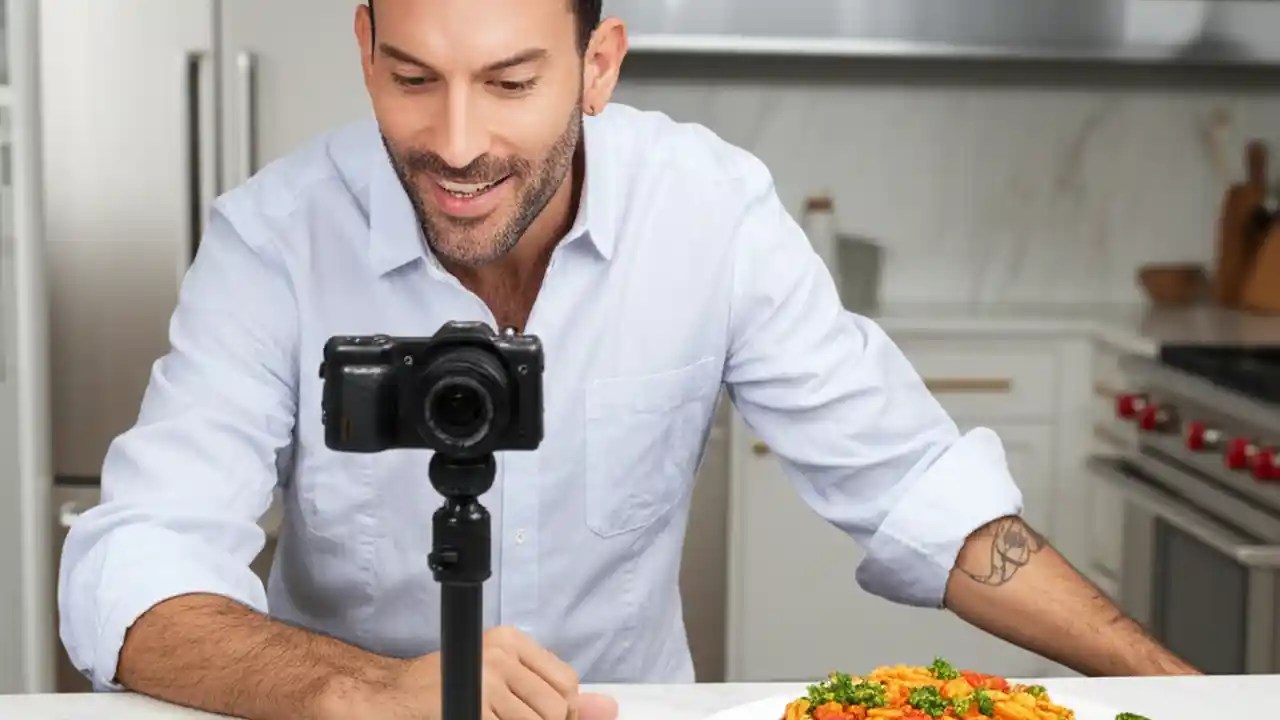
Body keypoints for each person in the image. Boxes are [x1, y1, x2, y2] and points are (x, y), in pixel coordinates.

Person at [57, 1, 1199, 719]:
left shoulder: (708, 213)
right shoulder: (273, 240)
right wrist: (364, 694)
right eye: (413, 78)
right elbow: (135, 569)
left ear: (597, 65)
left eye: (509, 83)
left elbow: (914, 490)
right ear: (363, 51)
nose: (456, 143)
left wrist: (1185, 698)